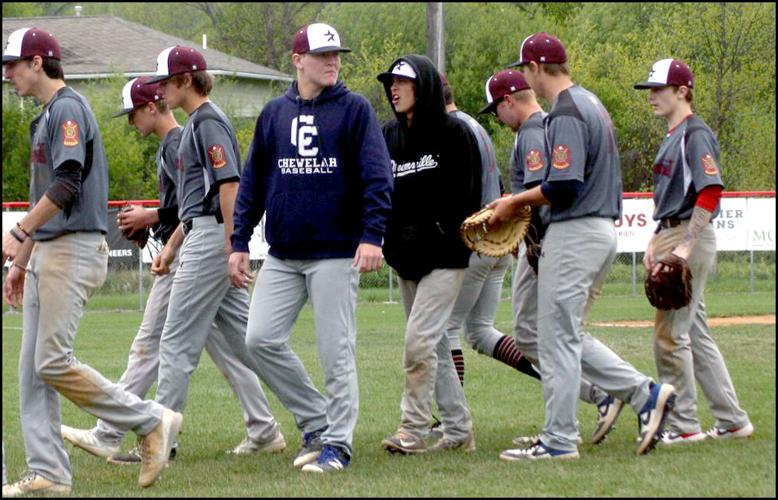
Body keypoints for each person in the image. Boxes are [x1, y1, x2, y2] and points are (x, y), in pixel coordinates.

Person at [59, 77, 286, 465]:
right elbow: (190, 207)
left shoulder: (182, 140)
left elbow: (198, 204)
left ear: (151, 106)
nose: (131, 123)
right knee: (241, 346)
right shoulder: (176, 142)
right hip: (196, 247)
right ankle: (266, 428)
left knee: (153, 345)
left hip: (198, 251)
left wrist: (160, 227)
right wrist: (162, 232)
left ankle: (114, 432)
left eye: (133, 113)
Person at [1, 28, 181, 495]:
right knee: (33, 368)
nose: (8, 73)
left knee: (53, 361)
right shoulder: (45, 116)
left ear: (39, 62)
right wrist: (21, 259)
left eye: (13, 64)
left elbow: (67, 184)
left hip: (73, 246)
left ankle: (149, 419)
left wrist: (20, 232)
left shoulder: (67, 108)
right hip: (48, 248)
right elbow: (47, 194)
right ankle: (48, 472)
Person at [489, 32, 676, 460]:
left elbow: (564, 185)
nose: (524, 78)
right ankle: (644, 395)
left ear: (536, 68)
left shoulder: (567, 111)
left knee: (555, 339)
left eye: (525, 70)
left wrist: (513, 201)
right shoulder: (589, 101)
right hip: (596, 229)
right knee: (562, 335)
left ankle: (559, 440)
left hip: (575, 230)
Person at [228, 23, 393, 473]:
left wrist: (372, 235)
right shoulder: (274, 113)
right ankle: (317, 421)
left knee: (335, 352)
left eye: (336, 53)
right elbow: (254, 183)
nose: (332, 61)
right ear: (297, 60)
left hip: (337, 251)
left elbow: (378, 177)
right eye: (322, 54)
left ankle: (337, 445)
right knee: (258, 339)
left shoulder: (355, 110)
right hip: (282, 252)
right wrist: (239, 241)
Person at [479, 69, 624, 447]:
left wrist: (534, 242)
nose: (497, 118)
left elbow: (544, 192)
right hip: (552, 241)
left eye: (496, 110)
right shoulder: (551, 121)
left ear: (508, 100)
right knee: (542, 335)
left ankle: (616, 395)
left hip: (548, 243)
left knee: (549, 334)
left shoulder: (532, 131)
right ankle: (583, 409)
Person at [634, 58, 753, 444]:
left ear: (682, 91)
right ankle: (732, 420)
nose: (652, 97)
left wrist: (683, 246)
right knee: (695, 335)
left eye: (658, 89)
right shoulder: (674, 134)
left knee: (670, 337)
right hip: (673, 231)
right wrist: (656, 237)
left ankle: (683, 425)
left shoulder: (694, 133)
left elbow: (711, 190)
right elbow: (672, 196)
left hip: (689, 234)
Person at [377, 55, 481, 455]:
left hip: (445, 256)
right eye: (391, 83)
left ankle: (412, 429)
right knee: (433, 344)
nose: (394, 88)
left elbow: (468, 196)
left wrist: (447, 232)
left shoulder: (454, 133)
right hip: (405, 256)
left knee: (418, 343)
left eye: (403, 81)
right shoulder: (389, 136)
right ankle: (458, 430)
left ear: (424, 86)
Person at [438, 73, 540, 387]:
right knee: (480, 331)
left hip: (478, 238)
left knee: (444, 328)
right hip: (500, 239)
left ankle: (453, 417)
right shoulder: (473, 125)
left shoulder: (450, 130)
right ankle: (580, 388)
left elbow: (458, 193)